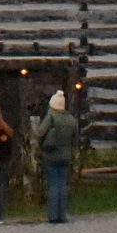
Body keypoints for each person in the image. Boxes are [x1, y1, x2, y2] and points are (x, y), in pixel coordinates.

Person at [33, 91, 81, 224]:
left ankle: (53, 215)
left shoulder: (51, 117)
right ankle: (62, 215)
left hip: (51, 155)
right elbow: (75, 140)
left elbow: (39, 133)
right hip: (65, 156)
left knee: (53, 184)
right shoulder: (71, 119)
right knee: (62, 185)